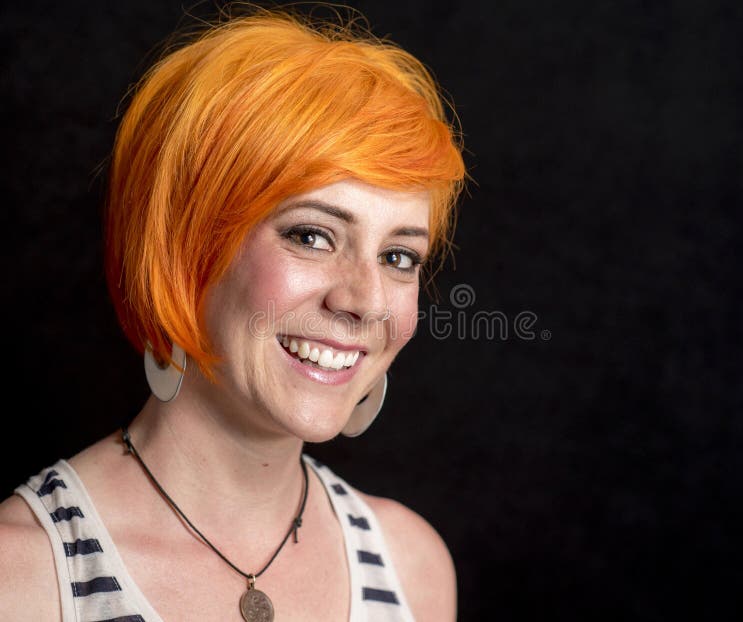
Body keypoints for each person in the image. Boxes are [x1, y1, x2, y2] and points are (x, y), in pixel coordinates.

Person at [0, 7, 465, 622]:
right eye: (312, 236)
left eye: (399, 255)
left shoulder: (414, 567)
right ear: (186, 249)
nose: (366, 301)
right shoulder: (21, 578)